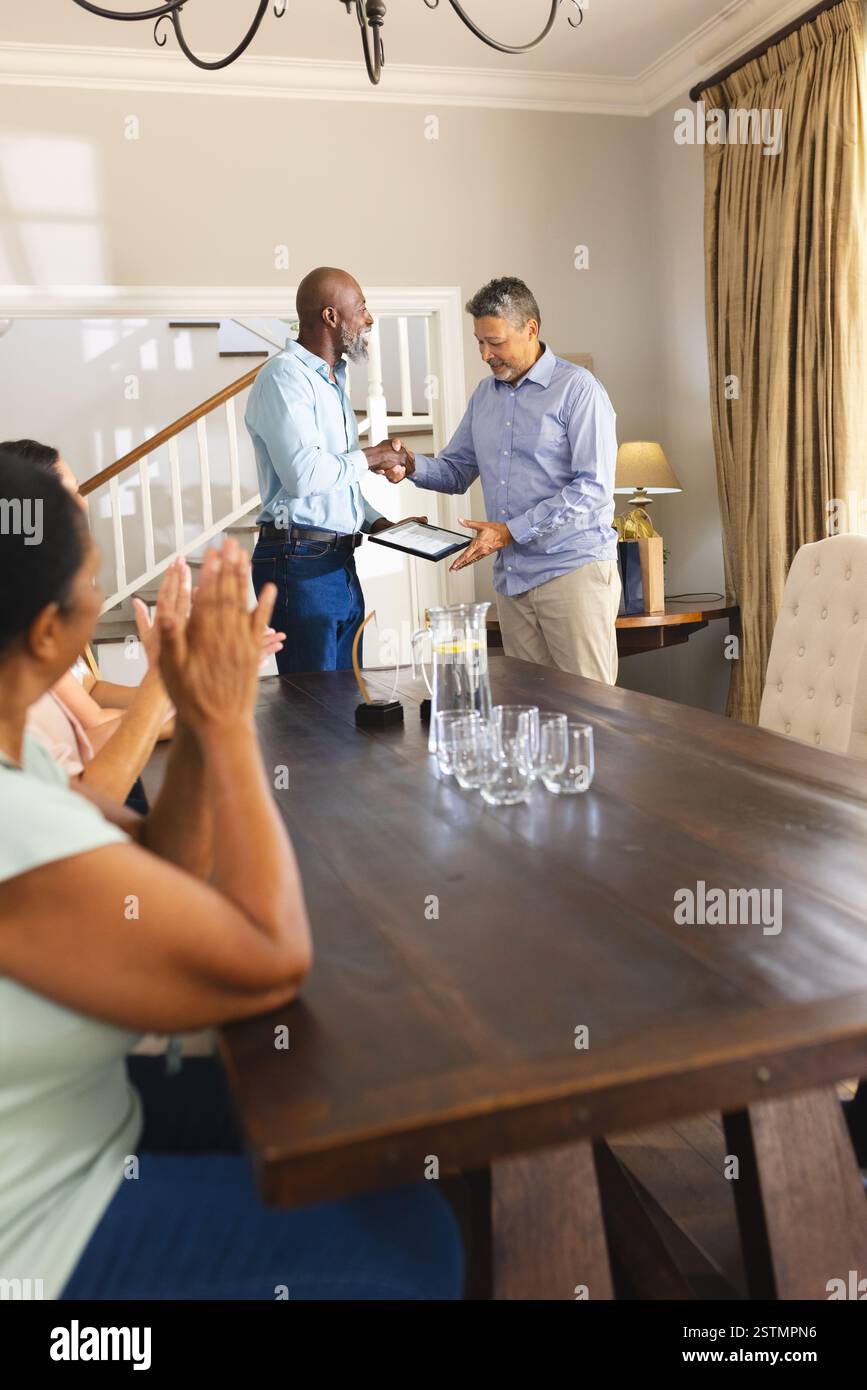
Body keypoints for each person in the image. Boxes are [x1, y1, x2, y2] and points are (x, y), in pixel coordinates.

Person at [0, 451, 463, 1300]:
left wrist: (197, 697)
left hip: (74, 1118)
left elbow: (156, 866)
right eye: (93, 581)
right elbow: (270, 956)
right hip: (37, 1227)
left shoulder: (17, 753)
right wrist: (224, 717)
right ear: (45, 634)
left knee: (341, 1128)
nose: (101, 597)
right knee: (415, 1242)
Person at [382, 276, 622, 685]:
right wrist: (411, 465)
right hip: (513, 580)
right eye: (479, 342)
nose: (484, 354)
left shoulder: (578, 390)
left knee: (590, 709)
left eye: (494, 342)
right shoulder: (484, 396)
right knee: (529, 711)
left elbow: (592, 488)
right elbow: (457, 470)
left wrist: (510, 532)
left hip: (573, 571)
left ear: (531, 329)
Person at [244, 267, 423, 674]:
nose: (368, 319)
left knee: (345, 701)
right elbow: (304, 476)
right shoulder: (284, 377)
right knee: (315, 710)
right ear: (331, 317)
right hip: (298, 561)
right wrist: (373, 456)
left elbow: (335, 488)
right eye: (361, 308)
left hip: (337, 559)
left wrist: (384, 526)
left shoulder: (332, 380)